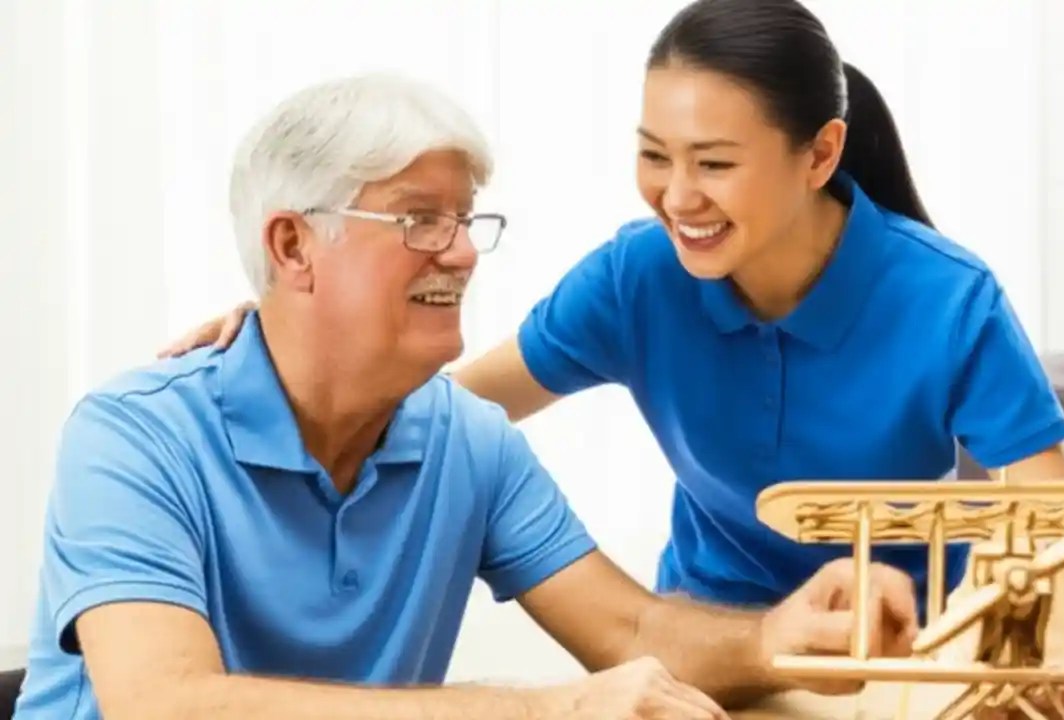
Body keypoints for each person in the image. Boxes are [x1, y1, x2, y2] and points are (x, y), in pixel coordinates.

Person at [164, 0, 1064, 643]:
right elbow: (439, 408)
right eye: (656, 155)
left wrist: (1056, 661)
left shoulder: (945, 299)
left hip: (903, 652)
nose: (677, 196)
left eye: (715, 162)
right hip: (716, 646)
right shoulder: (639, 279)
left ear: (821, 154)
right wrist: (297, 326)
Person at [14, 72, 922, 720]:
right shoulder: (133, 436)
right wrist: (546, 709)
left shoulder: (467, 439)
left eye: (464, 218)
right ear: (293, 248)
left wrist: (774, 637)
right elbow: (165, 703)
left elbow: (632, 628)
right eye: (419, 219)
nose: (460, 251)